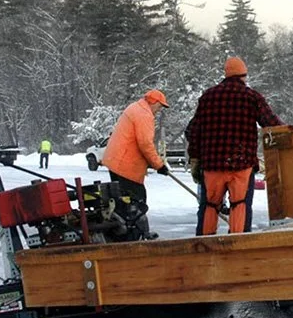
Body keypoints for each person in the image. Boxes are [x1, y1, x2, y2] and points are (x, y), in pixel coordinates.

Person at [185, 57, 283, 235]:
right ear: (244, 76)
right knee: (240, 205)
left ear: (226, 74)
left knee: (210, 205)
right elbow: (273, 124)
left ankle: (204, 246)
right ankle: (238, 246)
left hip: (212, 165)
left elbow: (193, 131)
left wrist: (195, 157)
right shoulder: (251, 97)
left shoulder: (207, 97)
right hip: (241, 164)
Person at [101, 89, 171, 236]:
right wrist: (159, 165)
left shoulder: (135, 108)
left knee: (122, 201)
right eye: (159, 106)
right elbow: (145, 144)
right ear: (153, 102)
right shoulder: (144, 115)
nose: (158, 111)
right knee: (136, 201)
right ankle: (134, 234)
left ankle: (123, 232)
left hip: (116, 162)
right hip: (125, 165)